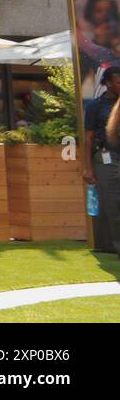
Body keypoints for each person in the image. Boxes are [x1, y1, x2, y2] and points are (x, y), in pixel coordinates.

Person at [84, 65, 120, 256]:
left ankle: (109, 244)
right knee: (114, 200)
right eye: (118, 82)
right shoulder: (95, 106)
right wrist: (88, 168)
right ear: (107, 83)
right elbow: (88, 138)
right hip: (106, 156)